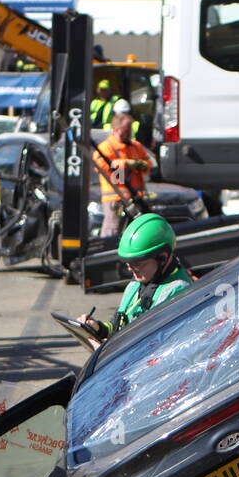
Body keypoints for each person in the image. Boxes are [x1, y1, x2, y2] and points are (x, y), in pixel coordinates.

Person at [79, 214, 192, 344]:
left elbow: (158, 347)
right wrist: (98, 328)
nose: (130, 269)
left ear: (162, 257)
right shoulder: (136, 285)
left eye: (137, 263)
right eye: (128, 263)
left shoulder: (178, 291)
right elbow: (119, 327)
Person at [93, 107, 155, 239]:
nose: (128, 134)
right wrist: (127, 163)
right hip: (116, 201)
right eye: (125, 131)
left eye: (129, 130)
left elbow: (149, 164)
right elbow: (102, 166)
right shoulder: (106, 147)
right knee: (113, 233)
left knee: (139, 233)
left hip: (137, 198)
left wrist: (143, 165)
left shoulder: (136, 146)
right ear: (115, 129)